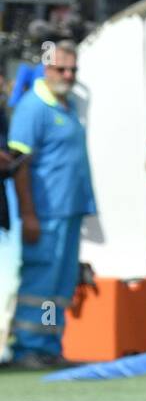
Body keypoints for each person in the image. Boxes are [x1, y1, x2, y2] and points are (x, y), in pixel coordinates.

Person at [6, 41, 96, 370]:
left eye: (73, 70)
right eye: (62, 68)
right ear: (46, 68)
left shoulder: (67, 105)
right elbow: (20, 164)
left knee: (59, 285)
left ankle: (48, 343)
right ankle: (28, 346)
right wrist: (28, 213)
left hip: (67, 211)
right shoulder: (33, 107)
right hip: (44, 213)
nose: (68, 75)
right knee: (41, 282)